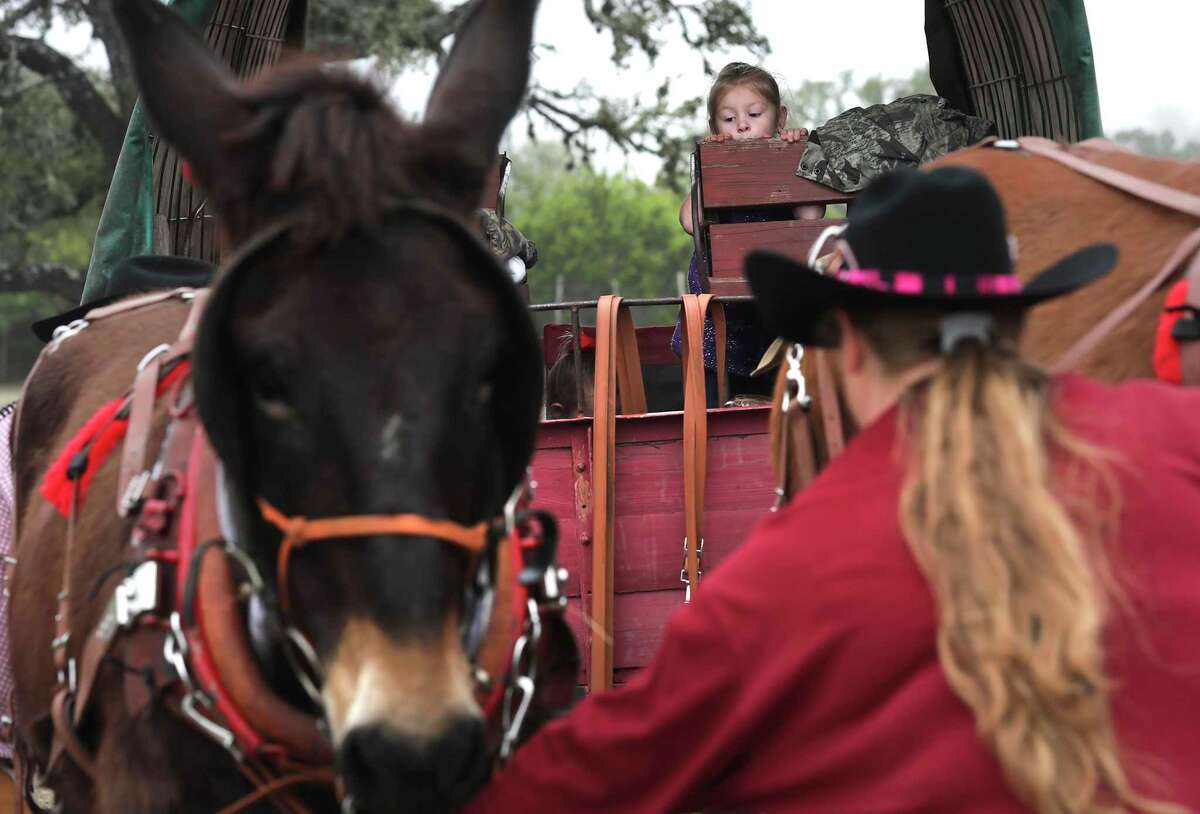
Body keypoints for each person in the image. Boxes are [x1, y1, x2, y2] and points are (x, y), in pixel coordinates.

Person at [467, 167, 1200, 813]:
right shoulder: (1178, 438)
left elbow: (583, 785)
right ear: (1014, 321)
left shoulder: (783, 581)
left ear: (847, 342)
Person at [674, 62, 811, 402]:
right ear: (713, 127)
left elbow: (811, 216)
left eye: (753, 114)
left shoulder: (783, 167)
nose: (743, 126)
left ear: (780, 120)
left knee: (776, 397)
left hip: (774, 317)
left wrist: (798, 157)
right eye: (729, 119)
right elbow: (690, 222)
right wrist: (710, 166)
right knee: (717, 399)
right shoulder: (716, 176)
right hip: (720, 320)